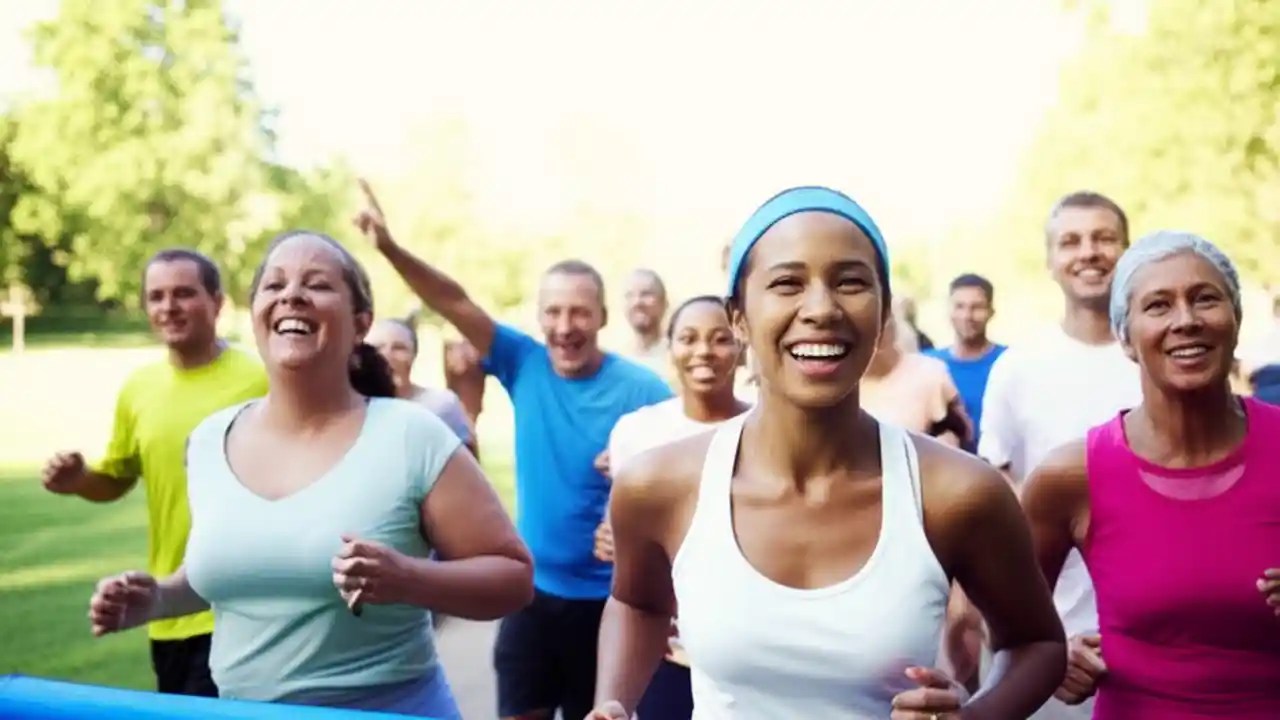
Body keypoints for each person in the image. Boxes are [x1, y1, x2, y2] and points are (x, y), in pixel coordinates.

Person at [589, 186, 1065, 719]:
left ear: (883, 311)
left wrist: (973, 717)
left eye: (852, 282)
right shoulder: (661, 485)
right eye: (787, 283)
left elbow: (1038, 645)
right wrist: (613, 701)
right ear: (738, 317)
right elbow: (637, 602)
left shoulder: (955, 492)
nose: (821, 309)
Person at [86, 230, 534, 717]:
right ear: (255, 313)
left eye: (316, 284)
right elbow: (238, 571)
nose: (291, 295)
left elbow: (513, 578)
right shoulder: (210, 441)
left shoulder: (410, 435)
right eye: (273, 285)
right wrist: (158, 599)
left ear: (360, 323)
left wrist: (409, 578)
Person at [352, 180, 672, 720]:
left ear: (602, 318)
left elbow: (691, 470)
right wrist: (388, 247)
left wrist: (639, 471)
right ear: (540, 316)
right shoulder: (523, 362)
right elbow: (452, 301)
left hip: (610, 605)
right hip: (533, 599)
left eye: (579, 313)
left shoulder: (643, 390)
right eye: (553, 313)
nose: (565, 327)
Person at [1022, 231, 1280, 717]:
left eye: (1205, 299)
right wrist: (1052, 656)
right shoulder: (1071, 475)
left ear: (1236, 321)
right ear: (1125, 338)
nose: (1186, 321)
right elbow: (1009, 627)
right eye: (1158, 306)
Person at [41, 248, 267, 697]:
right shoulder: (139, 388)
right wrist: (79, 479)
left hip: (241, 605)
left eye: (184, 293)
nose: (169, 307)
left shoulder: (260, 378)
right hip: (166, 610)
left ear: (217, 302)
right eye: (156, 296)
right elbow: (117, 478)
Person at [978, 190, 1141, 720]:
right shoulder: (1019, 367)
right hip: (1048, 648)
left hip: (1157, 644)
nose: (1088, 252)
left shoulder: (1165, 356)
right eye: (1070, 241)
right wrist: (1034, 634)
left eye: (1104, 238)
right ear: (1050, 260)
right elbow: (993, 512)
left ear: (1128, 250)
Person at [595, 294, 751, 720]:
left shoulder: (765, 431)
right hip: (665, 653)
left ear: (742, 349)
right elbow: (625, 550)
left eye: (721, 339)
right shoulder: (637, 432)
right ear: (671, 349)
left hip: (748, 657)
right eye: (688, 338)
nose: (704, 351)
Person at [861, 306, 972, 448]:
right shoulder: (837, 381)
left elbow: (957, 434)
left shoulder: (929, 372)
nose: (876, 334)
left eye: (884, 322)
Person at [366, 317, 479, 456]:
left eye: (399, 348)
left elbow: (470, 465)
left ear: (414, 355)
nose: (387, 355)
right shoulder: (352, 408)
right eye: (377, 348)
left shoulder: (441, 404)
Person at [925, 273, 1007, 453]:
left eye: (976, 307)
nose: (967, 315)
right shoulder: (927, 366)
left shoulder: (1009, 363)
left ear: (991, 312)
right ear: (949, 311)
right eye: (959, 306)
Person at [622, 268, 674, 386]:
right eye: (629, 296)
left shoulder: (678, 357)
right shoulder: (616, 361)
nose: (637, 302)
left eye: (646, 294)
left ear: (664, 303)